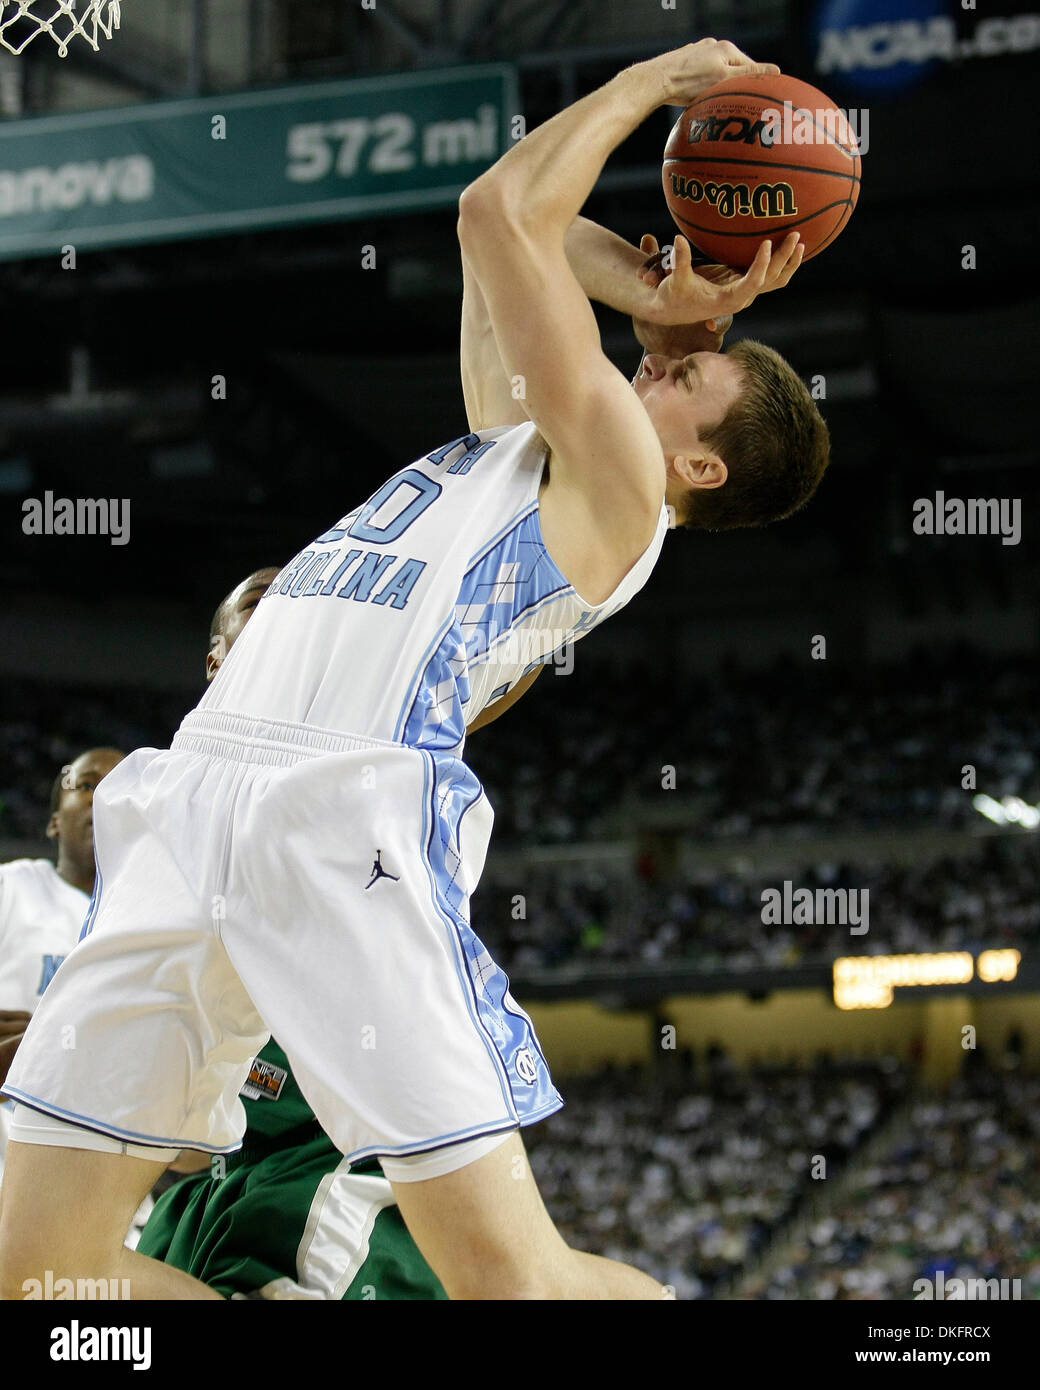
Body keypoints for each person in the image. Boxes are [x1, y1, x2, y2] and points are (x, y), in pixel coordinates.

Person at [0, 38, 828, 1301]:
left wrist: (648, 87)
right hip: (198, 791)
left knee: (506, 1287)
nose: (654, 356)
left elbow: (496, 210)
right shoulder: (518, 446)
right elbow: (515, 247)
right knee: (42, 1279)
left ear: (701, 465)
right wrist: (660, 278)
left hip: (344, 814)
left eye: (685, 375)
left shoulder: (619, 485)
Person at [141, 568, 448, 1299]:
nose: (289, 619)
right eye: (263, 608)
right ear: (217, 661)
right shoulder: (153, 808)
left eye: (305, 610)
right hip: (200, 1187)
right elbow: (180, 1139)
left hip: (336, 1172)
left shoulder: (375, 773)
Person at [0, 748, 124, 1178]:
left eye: (121, 786)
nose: (104, 797)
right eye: (88, 785)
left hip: (103, 1178)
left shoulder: (167, 925)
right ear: (54, 821)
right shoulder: (12, 889)